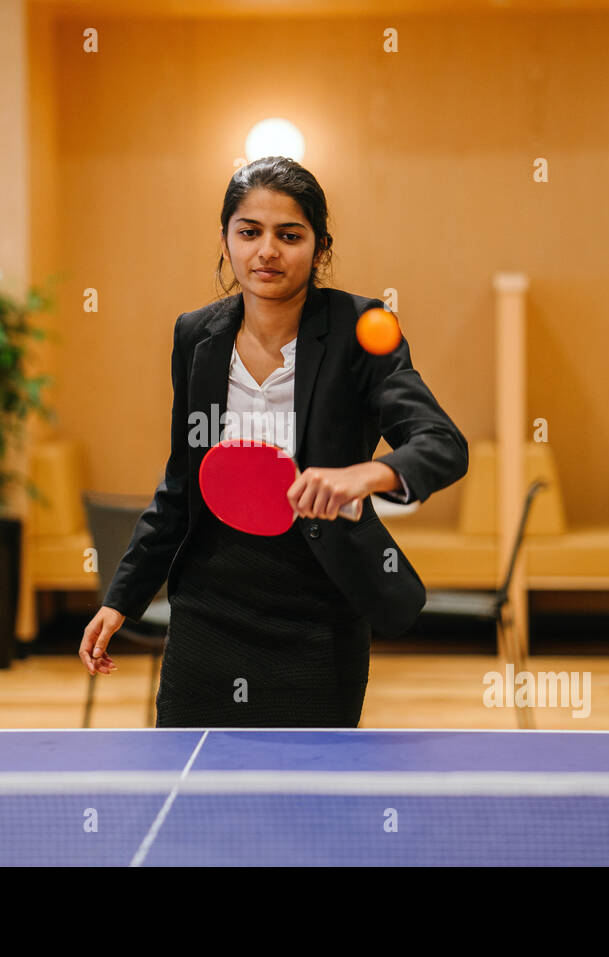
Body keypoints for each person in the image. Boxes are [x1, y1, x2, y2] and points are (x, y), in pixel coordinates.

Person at [79, 155, 468, 727]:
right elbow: (181, 486)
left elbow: (442, 442)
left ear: (319, 245)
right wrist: (121, 597)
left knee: (311, 802)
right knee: (197, 797)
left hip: (318, 612)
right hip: (209, 612)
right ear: (225, 239)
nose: (267, 251)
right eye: (249, 232)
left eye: (290, 235)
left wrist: (369, 474)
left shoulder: (361, 330)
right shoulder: (197, 337)